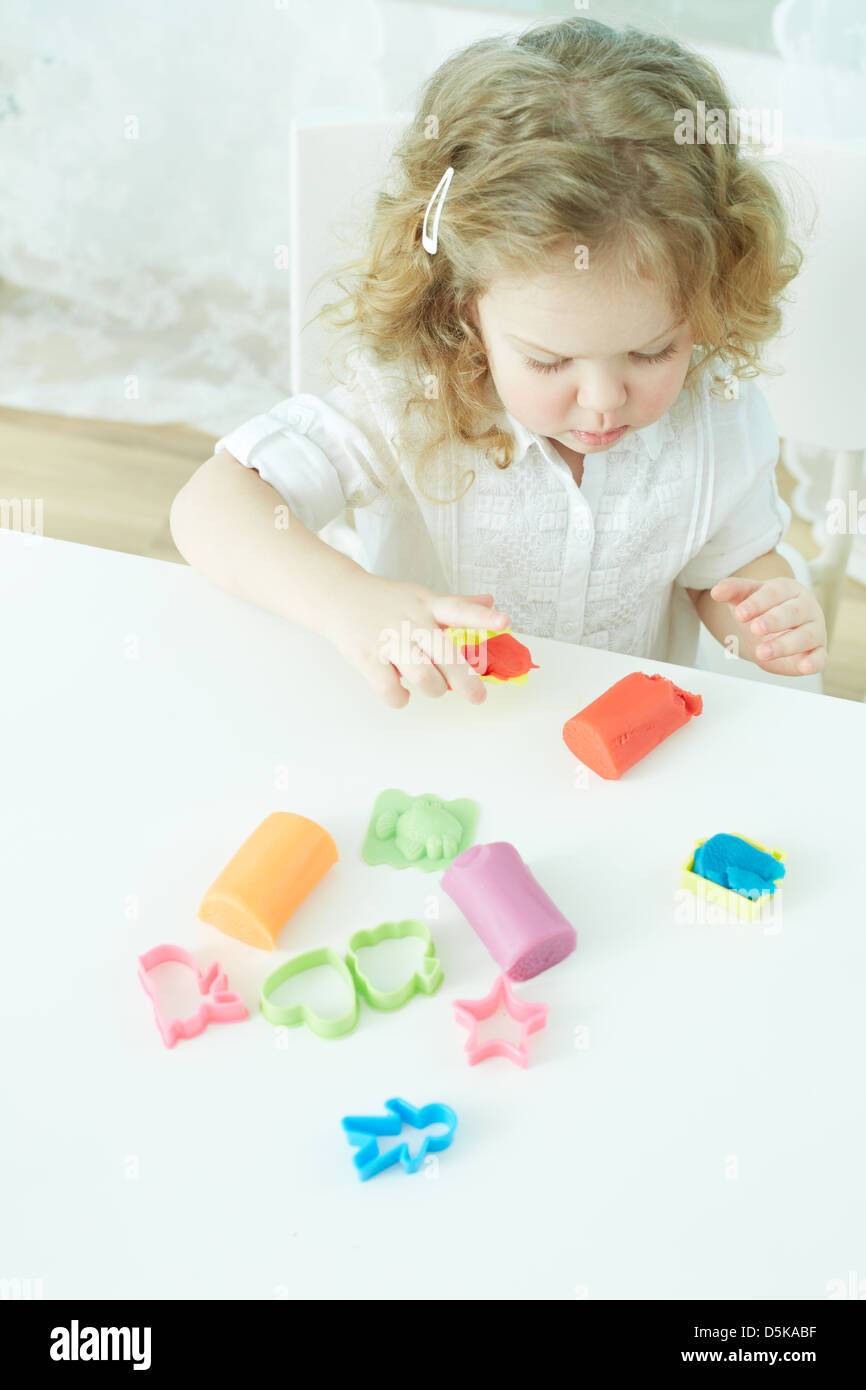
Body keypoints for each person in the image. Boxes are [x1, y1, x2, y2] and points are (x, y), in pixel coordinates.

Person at [170, 16, 827, 708]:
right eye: (548, 361)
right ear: (462, 306)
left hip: (624, 749)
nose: (604, 398)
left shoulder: (716, 416)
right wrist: (349, 601)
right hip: (442, 728)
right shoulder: (409, 401)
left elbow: (722, 572)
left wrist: (761, 622)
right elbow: (210, 507)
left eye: (652, 350)